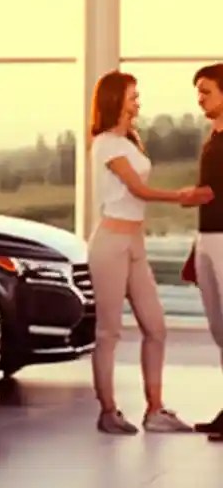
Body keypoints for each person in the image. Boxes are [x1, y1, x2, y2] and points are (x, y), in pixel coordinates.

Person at [85, 70, 211, 435]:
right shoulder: (106, 143)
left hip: (135, 243)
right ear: (115, 100)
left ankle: (155, 410)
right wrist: (181, 196)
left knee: (156, 327)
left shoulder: (131, 140)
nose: (138, 100)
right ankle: (108, 411)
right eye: (132, 95)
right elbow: (137, 189)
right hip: (110, 244)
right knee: (108, 332)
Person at [189, 63, 223, 440]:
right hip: (208, 238)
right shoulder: (212, 138)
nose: (200, 98)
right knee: (219, 329)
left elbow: (211, 191)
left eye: (206, 91)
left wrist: (181, 196)